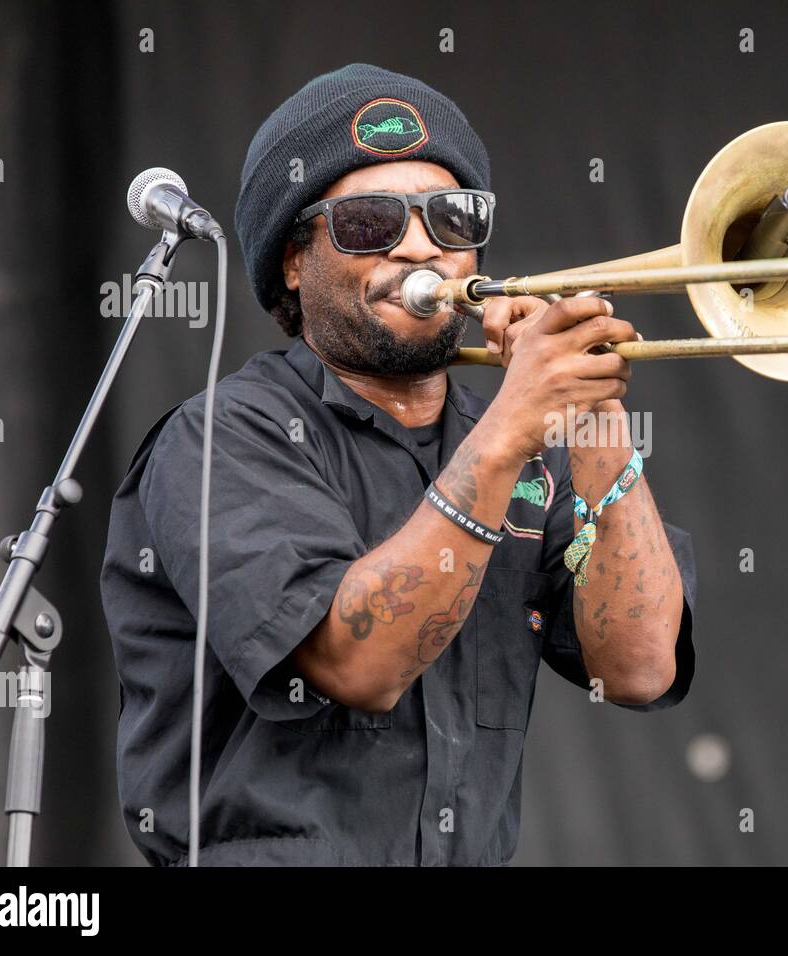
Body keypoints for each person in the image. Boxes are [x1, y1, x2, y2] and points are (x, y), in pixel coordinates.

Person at [100, 63, 696, 866]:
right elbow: (356, 664)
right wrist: (513, 429)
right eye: (370, 223)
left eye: (452, 217)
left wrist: (595, 420)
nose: (421, 246)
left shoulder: (524, 446)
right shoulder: (221, 438)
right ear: (291, 258)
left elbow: (639, 668)